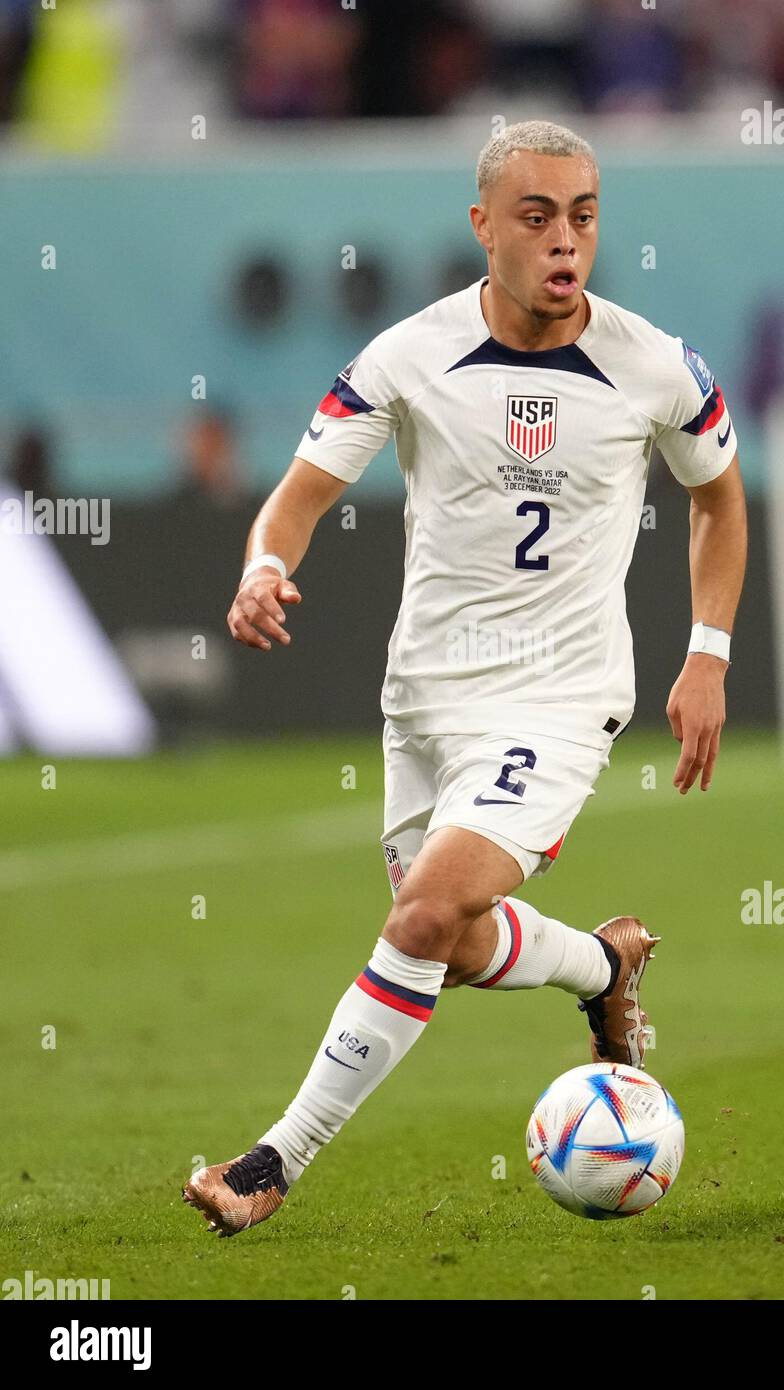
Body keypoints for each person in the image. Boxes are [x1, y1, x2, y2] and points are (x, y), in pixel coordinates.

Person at [183, 120, 747, 1236]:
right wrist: (260, 567)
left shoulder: (653, 365)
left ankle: (271, 1162)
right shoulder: (406, 356)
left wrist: (707, 652)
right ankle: (598, 965)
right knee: (439, 927)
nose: (563, 242)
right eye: (535, 217)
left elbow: (717, 496)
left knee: (431, 908)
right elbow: (296, 495)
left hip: (559, 694)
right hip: (426, 699)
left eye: (581, 217)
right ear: (483, 225)